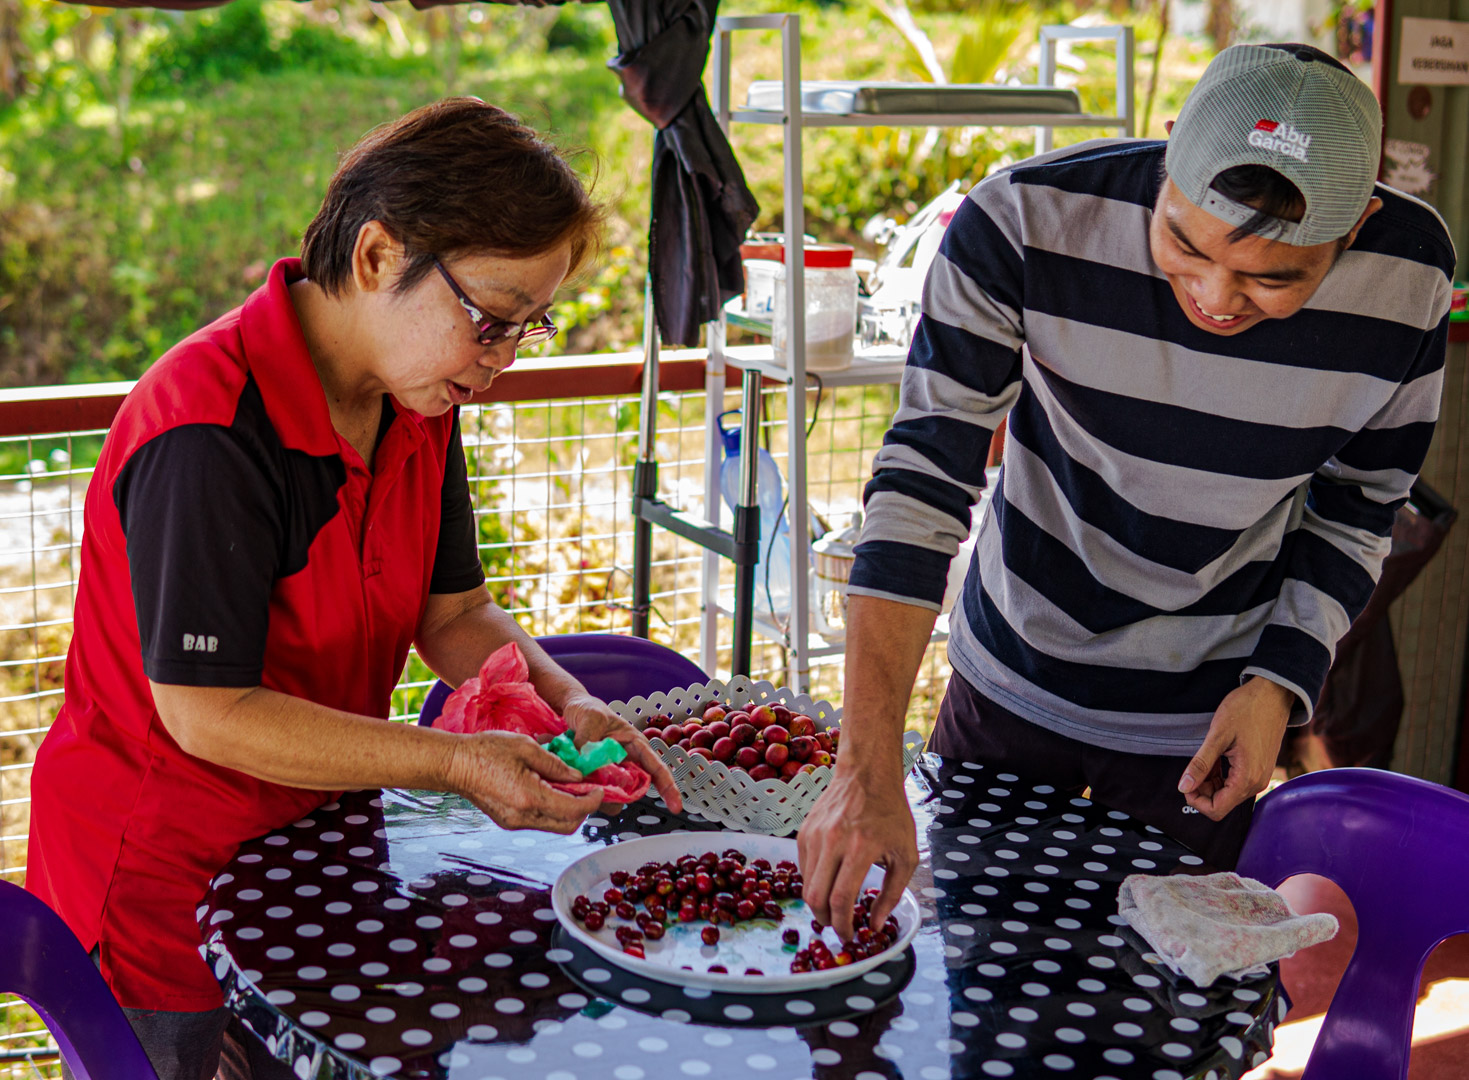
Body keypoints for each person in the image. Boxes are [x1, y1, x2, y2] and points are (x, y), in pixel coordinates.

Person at [26, 98, 679, 1080]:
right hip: (163, 883)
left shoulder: (416, 398)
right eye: (489, 321)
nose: (500, 361)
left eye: (526, 330)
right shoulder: (209, 427)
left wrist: (565, 703)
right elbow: (208, 713)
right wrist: (456, 764)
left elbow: (453, 614)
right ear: (377, 256)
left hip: (310, 850)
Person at [798, 44, 1457, 942]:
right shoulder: (1023, 221)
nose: (1216, 296)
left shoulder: (1410, 274)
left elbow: (1358, 506)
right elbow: (923, 479)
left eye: (1275, 278)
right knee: (969, 983)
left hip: (1206, 728)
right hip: (1010, 688)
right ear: (1164, 162)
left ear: (1357, 228)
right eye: (1184, 242)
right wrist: (864, 769)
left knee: (1157, 1020)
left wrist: (1275, 687)